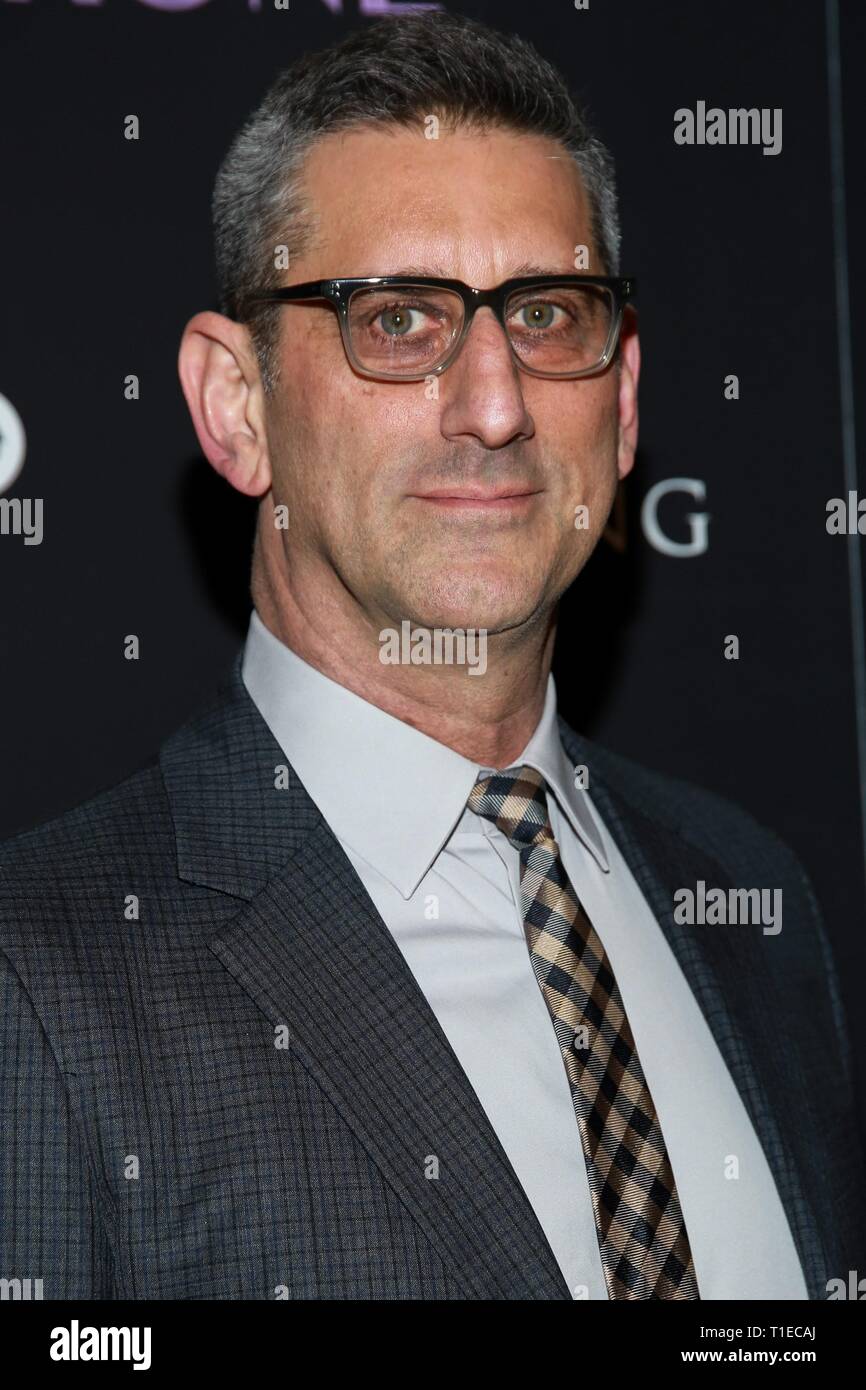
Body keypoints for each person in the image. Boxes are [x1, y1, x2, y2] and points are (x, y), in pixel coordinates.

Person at [1, 11, 863, 1301]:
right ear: (239, 408)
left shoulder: (748, 895)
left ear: (622, 404)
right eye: (398, 321)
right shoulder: (39, 976)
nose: (497, 403)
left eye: (549, 313)